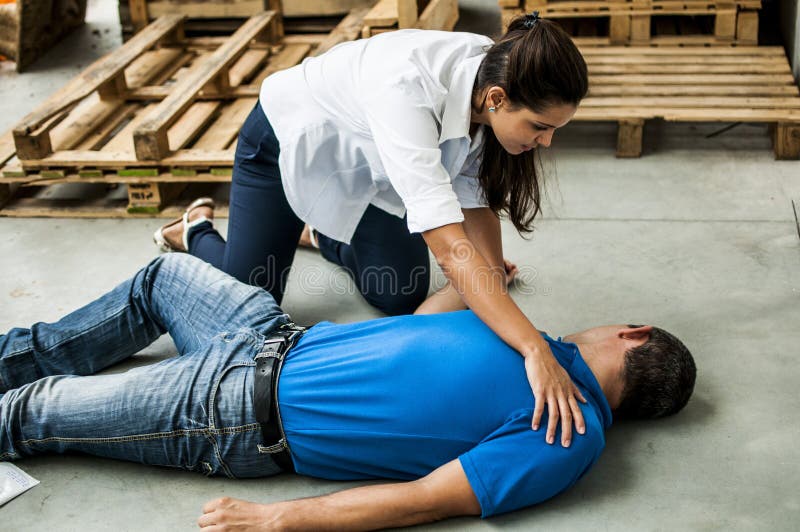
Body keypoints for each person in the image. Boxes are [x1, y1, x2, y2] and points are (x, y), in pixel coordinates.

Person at [0, 254, 697, 529]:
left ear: (632, 334)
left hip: (232, 415)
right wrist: (470, 286)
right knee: (163, 278)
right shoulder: (535, 343)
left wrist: (278, 520)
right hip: (268, 334)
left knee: (34, 413)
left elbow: (429, 499)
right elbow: (419, 336)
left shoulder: (569, 433)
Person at [153, 13, 592, 446]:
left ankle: (320, 234)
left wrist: (488, 277)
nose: (547, 142)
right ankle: (196, 230)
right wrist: (534, 347)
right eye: (541, 127)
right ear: (496, 99)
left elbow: (475, 226)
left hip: (375, 170)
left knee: (398, 294)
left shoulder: (494, 75)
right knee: (245, 314)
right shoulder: (405, 89)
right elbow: (453, 252)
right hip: (284, 145)